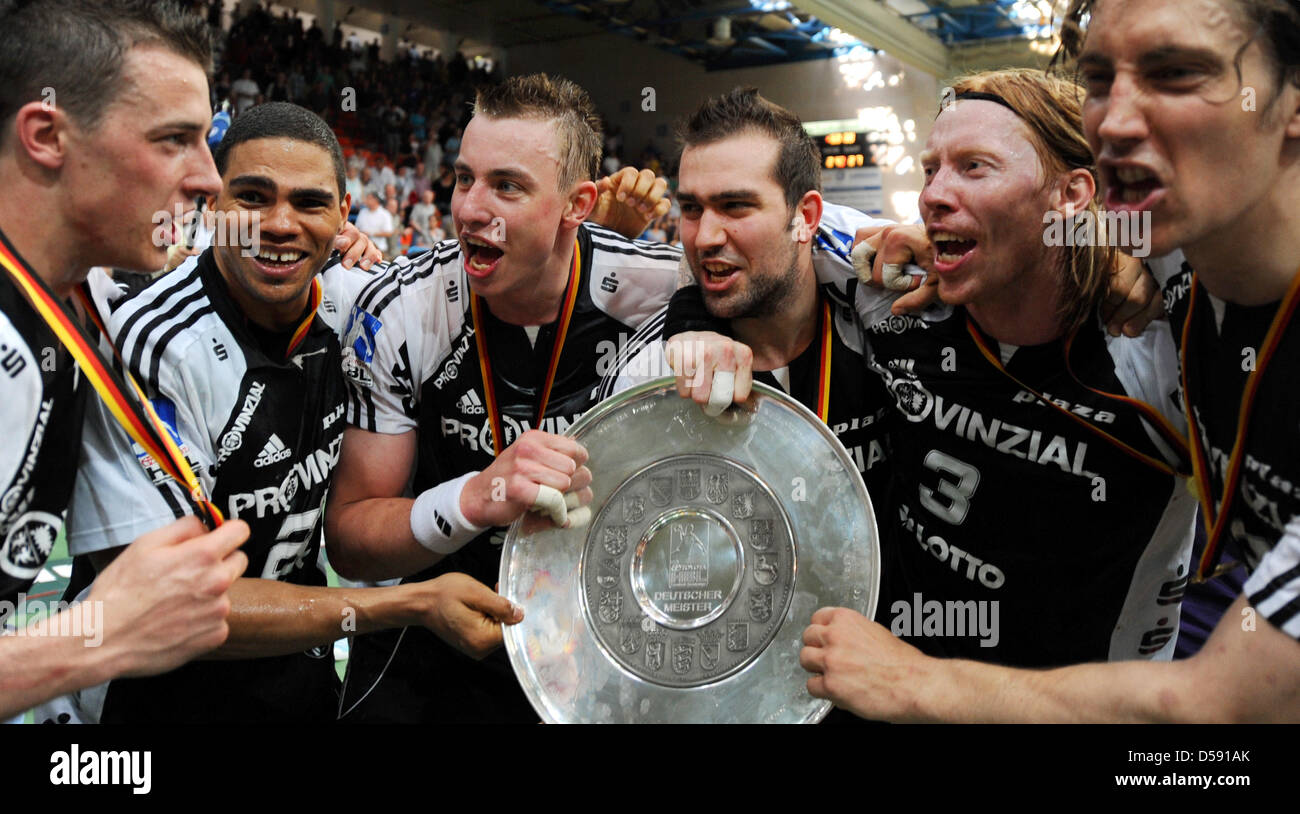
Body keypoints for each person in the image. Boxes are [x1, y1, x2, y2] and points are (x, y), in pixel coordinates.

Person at [796, 0, 1300, 723]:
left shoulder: (1142, 337)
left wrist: (915, 683)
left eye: (1178, 73)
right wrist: (974, 238)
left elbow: (1218, 719)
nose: (1116, 123)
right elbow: (774, 225)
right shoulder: (1169, 259)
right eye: (1098, 79)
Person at [671, 71, 1198, 682]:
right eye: (930, 170)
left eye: (975, 167)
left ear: (1073, 194)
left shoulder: (1154, 358)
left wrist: (1120, 248)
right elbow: (742, 241)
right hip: (885, 694)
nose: (933, 196)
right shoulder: (899, 296)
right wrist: (694, 324)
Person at [47, 102, 521, 724]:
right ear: (211, 204)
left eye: (310, 203)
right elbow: (165, 605)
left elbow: (502, 273)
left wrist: (588, 230)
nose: (279, 224)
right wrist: (406, 604)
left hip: (296, 676)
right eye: (251, 196)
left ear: (343, 216)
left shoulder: (361, 304)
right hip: (146, 693)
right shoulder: (152, 346)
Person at [327, 73, 675, 723]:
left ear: (579, 204)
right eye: (464, 179)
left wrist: (718, 338)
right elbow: (349, 536)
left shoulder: (663, 297)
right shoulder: (401, 308)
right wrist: (475, 498)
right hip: (435, 638)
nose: (469, 208)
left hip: (598, 649)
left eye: (507, 185)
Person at [0, 0, 250, 720]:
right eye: (175, 139)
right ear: (46, 134)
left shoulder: (79, 291)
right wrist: (94, 639)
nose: (209, 177)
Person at [603, 89, 898, 517]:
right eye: (691, 208)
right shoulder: (649, 375)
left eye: (735, 206)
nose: (704, 237)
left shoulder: (884, 319)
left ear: (806, 218)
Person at [355, 192, 395, 258]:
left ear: (375, 200)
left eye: (369, 198)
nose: (366, 200)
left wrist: (371, 233)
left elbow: (389, 232)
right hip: (362, 247)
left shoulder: (385, 214)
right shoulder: (362, 212)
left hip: (380, 249)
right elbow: (356, 228)